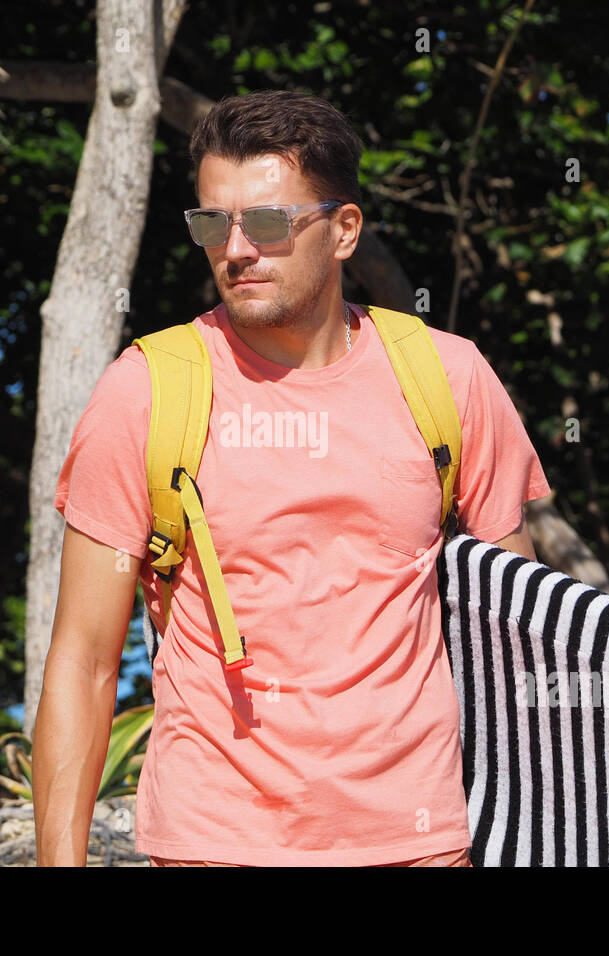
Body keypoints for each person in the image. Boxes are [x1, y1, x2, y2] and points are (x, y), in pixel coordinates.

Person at [33, 90, 551, 867]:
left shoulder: (450, 379)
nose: (237, 249)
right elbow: (83, 659)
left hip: (424, 843)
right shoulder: (146, 391)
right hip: (217, 846)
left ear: (344, 231)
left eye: (270, 223)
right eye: (213, 223)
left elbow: (516, 647)